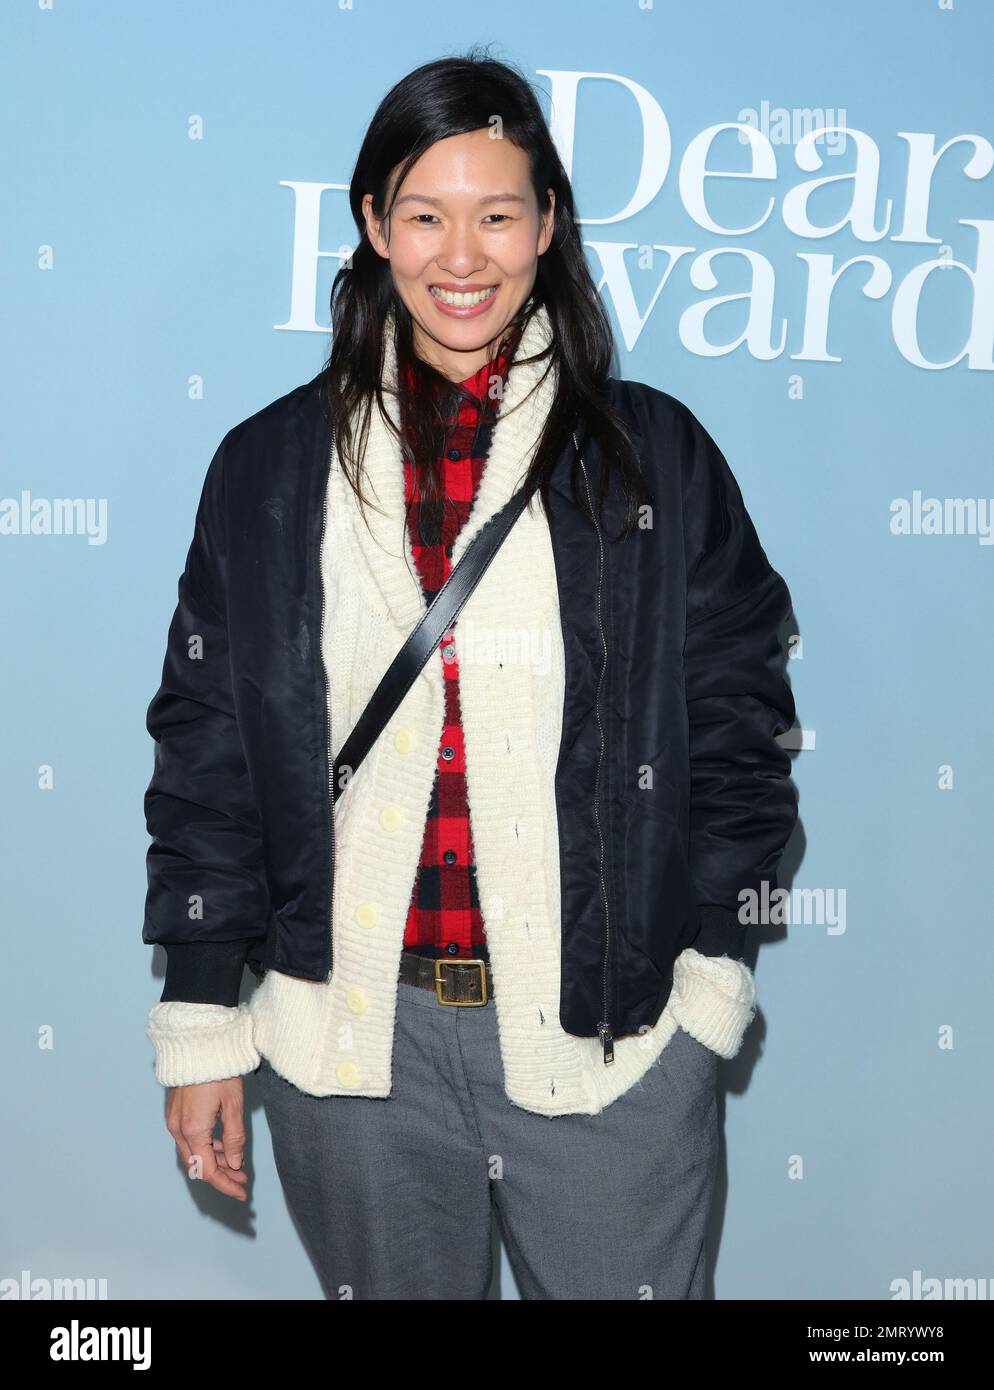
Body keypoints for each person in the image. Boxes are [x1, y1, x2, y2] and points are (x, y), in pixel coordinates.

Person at [142, 50, 798, 1301]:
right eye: (426, 213)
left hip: (607, 1040)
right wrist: (202, 1025)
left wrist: (711, 981)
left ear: (547, 226)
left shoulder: (654, 457)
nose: (463, 254)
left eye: (498, 213)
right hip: (351, 1047)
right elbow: (209, 757)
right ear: (373, 225)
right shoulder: (269, 469)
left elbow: (740, 726)